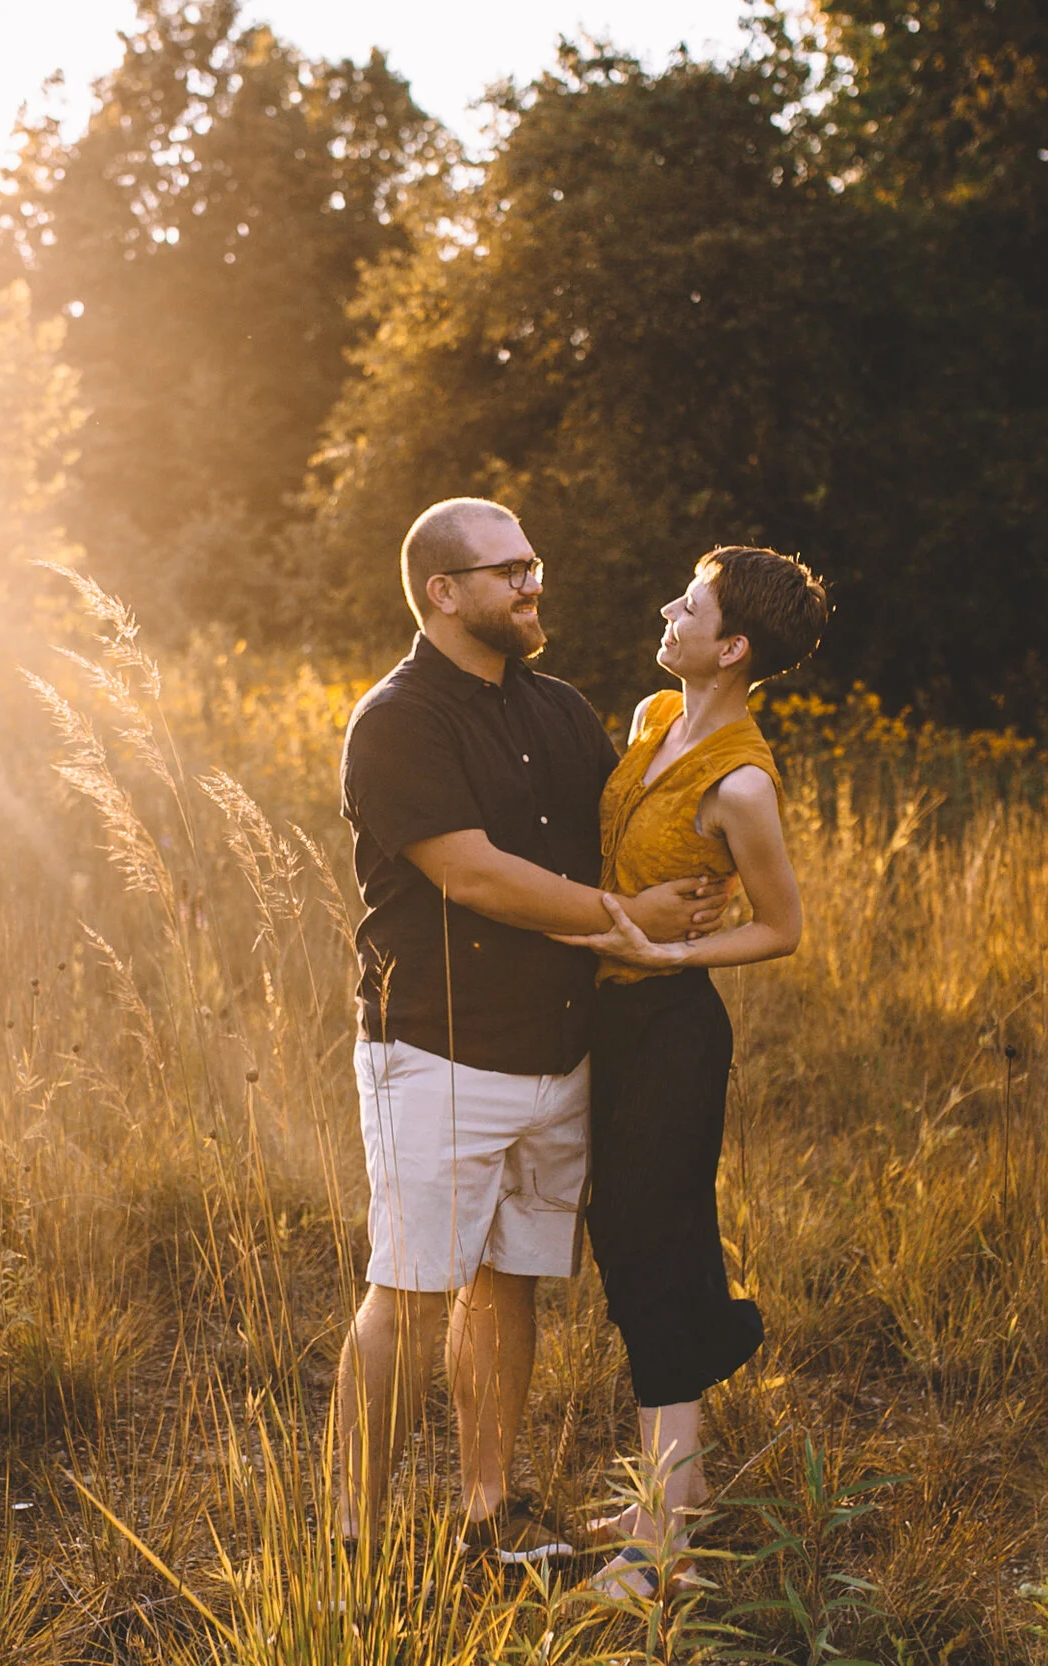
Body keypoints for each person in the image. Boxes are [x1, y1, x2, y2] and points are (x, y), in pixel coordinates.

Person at [332, 498, 736, 1565]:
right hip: (437, 1050)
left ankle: (487, 1508)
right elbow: (471, 875)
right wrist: (624, 918)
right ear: (443, 592)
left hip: (560, 1052)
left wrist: (711, 872)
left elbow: (620, 839)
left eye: (533, 564)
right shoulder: (397, 719)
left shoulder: (559, 709)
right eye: (509, 570)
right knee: (411, 1295)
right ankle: (348, 1537)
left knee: (507, 1282)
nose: (532, 585)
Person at [547, 545, 830, 1598]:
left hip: (674, 1029)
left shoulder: (744, 780)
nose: (668, 607)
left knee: (651, 1247)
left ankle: (657, 1544)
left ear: (732, 644)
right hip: (611, 1023)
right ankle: (685, 1480)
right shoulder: (650, 719)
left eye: (691, 601)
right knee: (625, 1234)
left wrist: (672, 952)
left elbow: (781, 928)